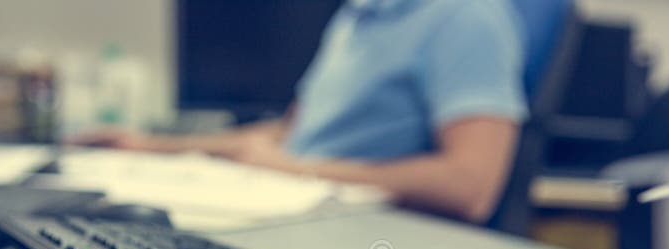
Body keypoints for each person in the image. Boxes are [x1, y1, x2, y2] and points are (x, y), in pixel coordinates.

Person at [74, 0, 527, 223]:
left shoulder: (468, 17)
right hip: (281, 201)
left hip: (351, 231)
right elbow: (288, 133)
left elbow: (471, 186)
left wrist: (300, 170)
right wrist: (150, 146)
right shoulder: (356, 16)